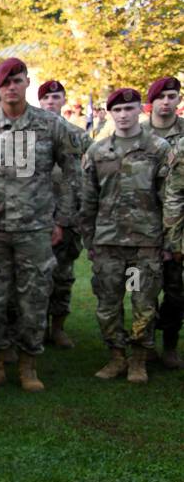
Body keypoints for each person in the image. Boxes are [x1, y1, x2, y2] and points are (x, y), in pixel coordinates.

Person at [0, 58, 81, 392]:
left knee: (33, 297)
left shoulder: (50, 125)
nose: (11, 87)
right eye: (5, 82)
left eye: (17, 80)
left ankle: (28, 364)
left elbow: (71, 173)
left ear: (27, 82)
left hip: (35, 228)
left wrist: (61, 218)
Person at [80, 88, 177, 382]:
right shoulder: (98, 151)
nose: (123, 115)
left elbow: (169, 197)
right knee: (108, 305)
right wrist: (89, 240)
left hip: (145, 244)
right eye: (117, 111)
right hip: (108, 244)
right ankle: (116, 357)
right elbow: (88, 200)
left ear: (140, 110)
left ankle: (139, 359)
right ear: (111, 114)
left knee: (143, 304)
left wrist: (169, 241)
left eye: (129, 109)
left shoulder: (158, 149)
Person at [34, 80, 89, 351]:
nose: (50, 102)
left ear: (64, 100)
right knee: (36, 276)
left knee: (63, 276)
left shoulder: (79, 136)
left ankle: (58, 328)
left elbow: (88, 174)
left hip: (67, 217)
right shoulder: (30, 135)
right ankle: (37, 328)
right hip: (36, 218)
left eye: (55, 97)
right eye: (46, 98)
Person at [146, 76, 184, 368]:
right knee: (141, 288)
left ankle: (170, 344)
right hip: (142, 225)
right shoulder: (137, 133)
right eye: (162, 96)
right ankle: (143, 345)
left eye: (172, 96)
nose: (167, 101)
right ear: (152, 101)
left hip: (178, 225)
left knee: (175, 290)